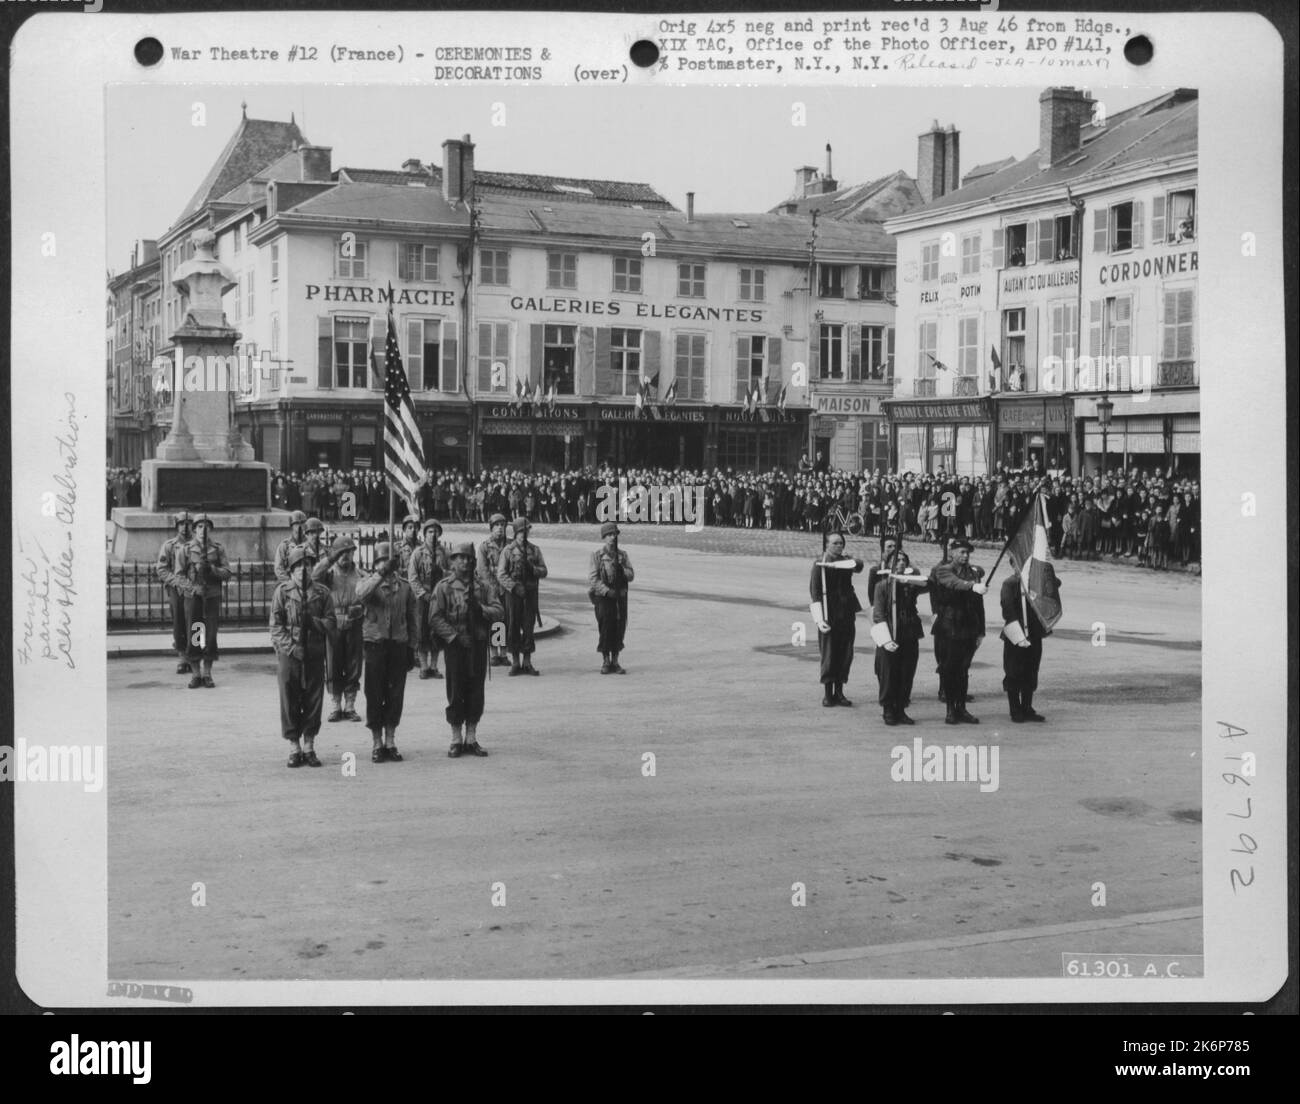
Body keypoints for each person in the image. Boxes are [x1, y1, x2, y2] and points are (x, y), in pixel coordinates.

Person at [430, 542, 505, 758]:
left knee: (475, 690)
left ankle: (471, 737)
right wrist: (453, 637)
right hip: (455, 647)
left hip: (477, 644)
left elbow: (499, 611)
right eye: (459, 557)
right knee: (455, 691)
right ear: (452, 561)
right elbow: (435, 617)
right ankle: (456, 738)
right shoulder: (443, 587)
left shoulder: (482, 587)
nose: (464, 561)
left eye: (468, 558)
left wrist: (480, 609)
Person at [271, 545, 337, 767]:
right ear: (291, 571)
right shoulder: (282, 593)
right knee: (289, 697)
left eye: (307, 565)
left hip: (315, 653)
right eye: (298, 566)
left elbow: (331, 623)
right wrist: (291, 648)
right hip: (290, 655)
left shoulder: (323, 593)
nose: (303, 570)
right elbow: (276, 626)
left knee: (313, 698)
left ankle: (309, 744)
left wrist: (314, 622)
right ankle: (294, 745)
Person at [355, 542, 419, 763]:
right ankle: (376, 741)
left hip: (398, 645)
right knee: (374, 695)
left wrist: (413, 647)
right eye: (382, 561)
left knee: (395, 695)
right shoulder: (368, 583)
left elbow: (413, 619)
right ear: (377, 563)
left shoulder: (405, 587)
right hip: (375, 644)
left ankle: (390, 740)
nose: (387, 565)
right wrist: (380, 575)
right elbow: (361, 595)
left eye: (390, 561)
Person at [932, 538, 988, 724]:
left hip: (969, 626)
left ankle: (961, 708)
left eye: (967, 553)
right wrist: (973, 585)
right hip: (949, 625)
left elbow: (979, 604)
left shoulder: (973, 572)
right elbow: (954, 583)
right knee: (949, 668)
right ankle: (950, 709)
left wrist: (981, 631)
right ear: (953, 553)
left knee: (964, 669)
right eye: (961, 552)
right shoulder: (943, 570)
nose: (965, 556)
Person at [808, 531, 865, 707]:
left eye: (841, 543)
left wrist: (852, 561)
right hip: (829, 613)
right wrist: (819, 619)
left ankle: (839, 692)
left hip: (846, 613)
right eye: (835, 543)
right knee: (829, 654)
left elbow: (859, 566)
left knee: (845, 654)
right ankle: (828, 693)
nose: (839, 546)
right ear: (826, 545)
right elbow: (815, 592)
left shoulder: (846, 561)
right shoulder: (820, 563)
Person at [314, 535, 366, 723]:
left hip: (354, 625)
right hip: (334, 626)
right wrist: (330, 559)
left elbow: (370, 595)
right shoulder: (328, 575)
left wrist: (362, 609)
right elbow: (314, 576)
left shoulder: (361, 575)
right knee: (333, 665)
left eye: (348, 552)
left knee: (353, 665)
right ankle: (336, 705)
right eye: (341, 553)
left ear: (353, 553)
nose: (345, 556)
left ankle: (350, 705)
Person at [871, 550, 926, 725]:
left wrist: (908, 576)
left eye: (904, 560)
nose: (901, 563)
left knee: (906, 673)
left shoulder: (911, 583)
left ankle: (901, 709)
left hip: (909, 632)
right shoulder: (882, 586)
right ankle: (888, 709)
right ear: (887, 565)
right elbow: (878, 614)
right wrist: (886, 639)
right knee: (888, 673)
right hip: (890, 632)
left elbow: (929, 583)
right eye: (896, 561)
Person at [1000, 565, 1059, 723]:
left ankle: (1027, 707)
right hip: (1016, 633)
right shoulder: (1010, 583)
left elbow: (1055, 584)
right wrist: (1018, 634)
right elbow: (1007, 610)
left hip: (1034, 633)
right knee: (1013, 671)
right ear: (1013, 564)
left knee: (1031, 670)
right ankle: (1015, 709)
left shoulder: (1036, 583)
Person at [183, 514, 231, 689]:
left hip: (211, 596)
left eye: (206, 526)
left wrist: (212, 569)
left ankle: (207, 673)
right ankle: (196, 674)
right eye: (200, 527)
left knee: (210, 635)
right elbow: (178, 575)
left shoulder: (218, 549)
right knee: (195, 634)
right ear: (194, 529)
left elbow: (227, 572)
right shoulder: (186, 549)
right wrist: (191, 587)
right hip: (194, 597)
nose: (203, 530)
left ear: (210, 529)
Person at [496, 517, 548, 676]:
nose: (523, 534)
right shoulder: (508, 550)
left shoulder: (535, 550)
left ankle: (527, 661)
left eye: (526, 531)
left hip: (530, 593)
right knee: (513, 626)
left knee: (528, 627)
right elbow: (501, 574)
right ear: (516, 532)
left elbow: (544, 571)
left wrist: (533, 569)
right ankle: (516, 661)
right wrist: (513, 586)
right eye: (520, 532)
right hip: (514, 594)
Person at [588, 521, 635, 674]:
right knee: (605, 627)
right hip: (604, 598)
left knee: (619, 627)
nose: (612, 538)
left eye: (614, 534)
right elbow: (593, 579)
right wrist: (607, 591)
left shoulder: (622, 555)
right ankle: (605, 660)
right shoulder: (597, 556)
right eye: (609, 535)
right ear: (604, 537)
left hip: (620, 597)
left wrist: (622, 570)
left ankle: (615, 660)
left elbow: (631, 575)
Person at [409, 518, 450, 680]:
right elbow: (412, 577)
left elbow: (452, 573)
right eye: (429, 532)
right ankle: (424, 666)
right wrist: (422, 593)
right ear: (425, 534)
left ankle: (434, 666)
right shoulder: (418, 553)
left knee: (437, 631)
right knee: (422, 631)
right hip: (423, 598)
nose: (433, 535)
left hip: (438, 597)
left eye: (435, 532)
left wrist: (443, 572)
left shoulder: (444, 552)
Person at [155, 510, 195, 674]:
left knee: (197, 622)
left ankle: (196, 656)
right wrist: (178, 582)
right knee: (179, 621)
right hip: (176, 590)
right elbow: (162, 570)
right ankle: (183, 656)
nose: (185, 528)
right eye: (181, 524)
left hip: (195, 590)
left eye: (188, 524)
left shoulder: (199, 545)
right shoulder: (169, 546)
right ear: (177, 526)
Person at [477, 513, 511, 667]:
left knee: (505, 621)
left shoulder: (510, 545)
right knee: (492, 621)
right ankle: (493, 653)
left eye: (502, 525)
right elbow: (482, 571)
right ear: (491, 528)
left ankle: (504, 653)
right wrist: (491, 588)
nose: (500, 528)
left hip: (507, 588)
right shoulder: (485, 547)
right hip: (491, 589)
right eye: (496, 526)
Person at [273, 510, 308, 584]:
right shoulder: (284, 546)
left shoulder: (309, 544)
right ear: (292, 526)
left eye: (302, 523)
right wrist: (290, 583)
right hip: (290, 584)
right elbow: (279, 569)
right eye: (297, 524)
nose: (300, 526)